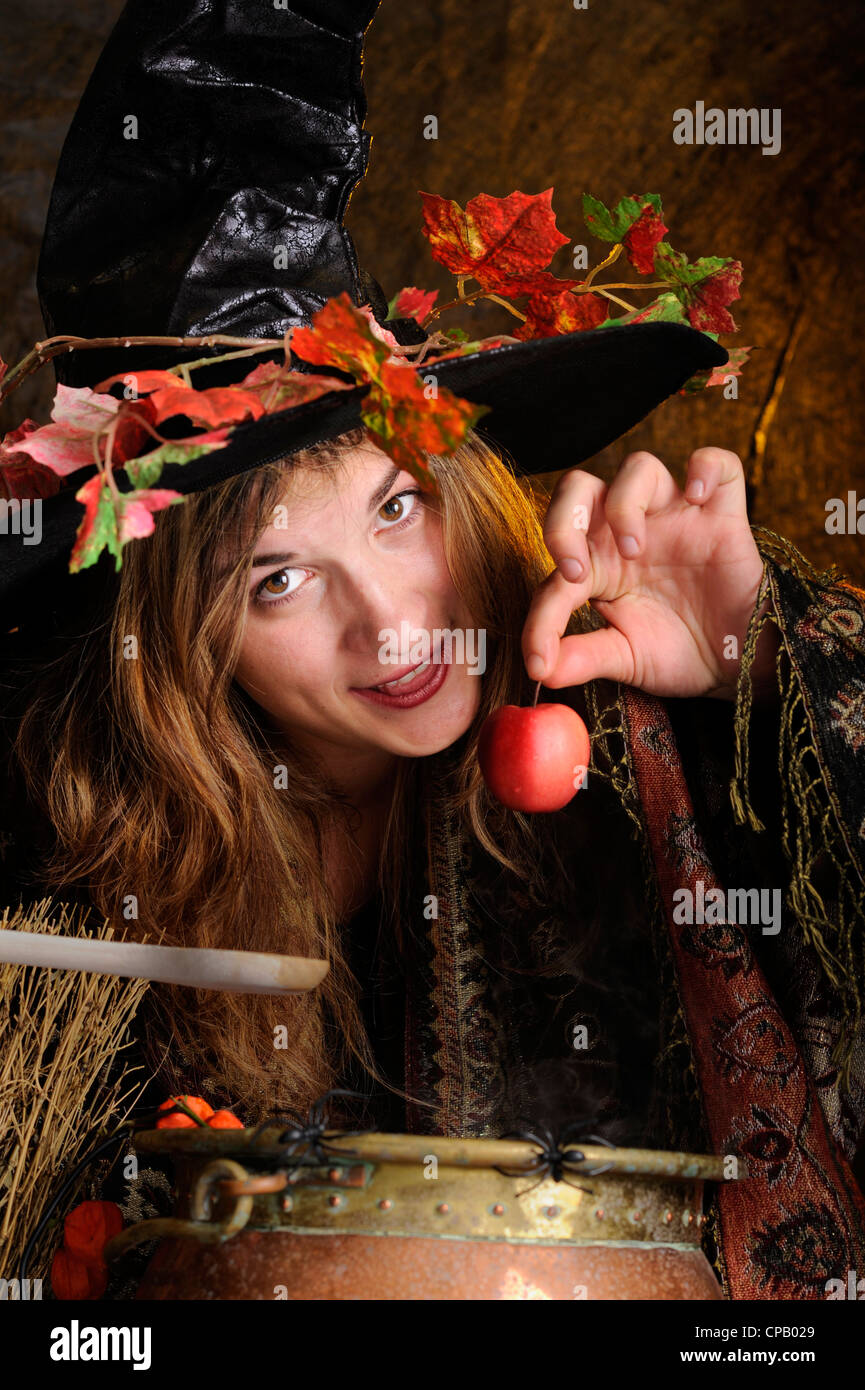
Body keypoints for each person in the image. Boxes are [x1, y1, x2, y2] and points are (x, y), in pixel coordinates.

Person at [1, 0, 864, 1302]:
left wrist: (764, 661)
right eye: (278, 577)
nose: (394, 624)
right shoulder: (79, 859)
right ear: (175, 640)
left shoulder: (652, 690)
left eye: (397, 508)